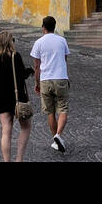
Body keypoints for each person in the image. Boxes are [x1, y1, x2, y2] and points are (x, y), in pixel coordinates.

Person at [0, 30, 33, 162]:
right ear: (10, 42)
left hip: (1, 97)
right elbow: (21, 76)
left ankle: (6, 160)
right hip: (17, 96)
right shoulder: (15, 56)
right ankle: (19, 159)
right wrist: (30, 70)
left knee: (6, 130)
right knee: (25, 127)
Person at [30, 15, 70, 154]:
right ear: (54, 26)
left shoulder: (38, 43)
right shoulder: (62, 40)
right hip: (61, 78)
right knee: (63, 109)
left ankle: (55, 139)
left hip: (45, 80)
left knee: (50, 112)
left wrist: (37, 83)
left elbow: (36, 66)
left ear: (43, 27)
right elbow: (65, 60)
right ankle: (58, 135)